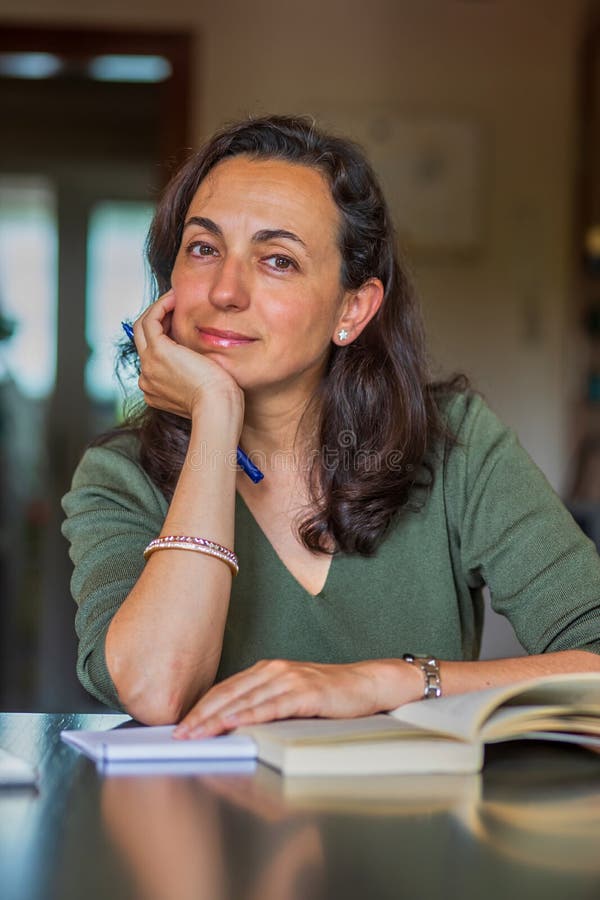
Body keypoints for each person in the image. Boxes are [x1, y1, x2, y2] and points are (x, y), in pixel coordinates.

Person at [62, 115, 600, 735]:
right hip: (207, 828)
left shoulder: (456, 444)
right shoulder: (118, 477)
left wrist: (383, 682)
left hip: (415, 828)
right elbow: (158, 690)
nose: (225, 291)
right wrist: (215, 414)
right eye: (204, 249)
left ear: (352, 308)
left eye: (278, 261)